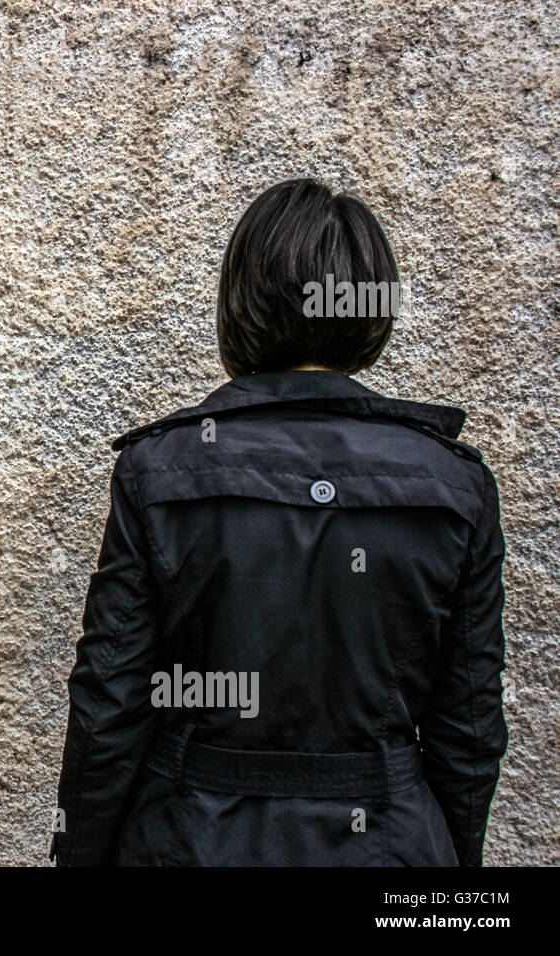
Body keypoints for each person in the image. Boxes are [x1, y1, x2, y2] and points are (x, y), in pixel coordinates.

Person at [51, 178, 508, 866]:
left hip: (192, 840)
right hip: (388, 843)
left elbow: (110, 703)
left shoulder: (162, 470)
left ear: (239, 303)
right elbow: (469, 727)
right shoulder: (453, 483)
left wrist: (77, 855)